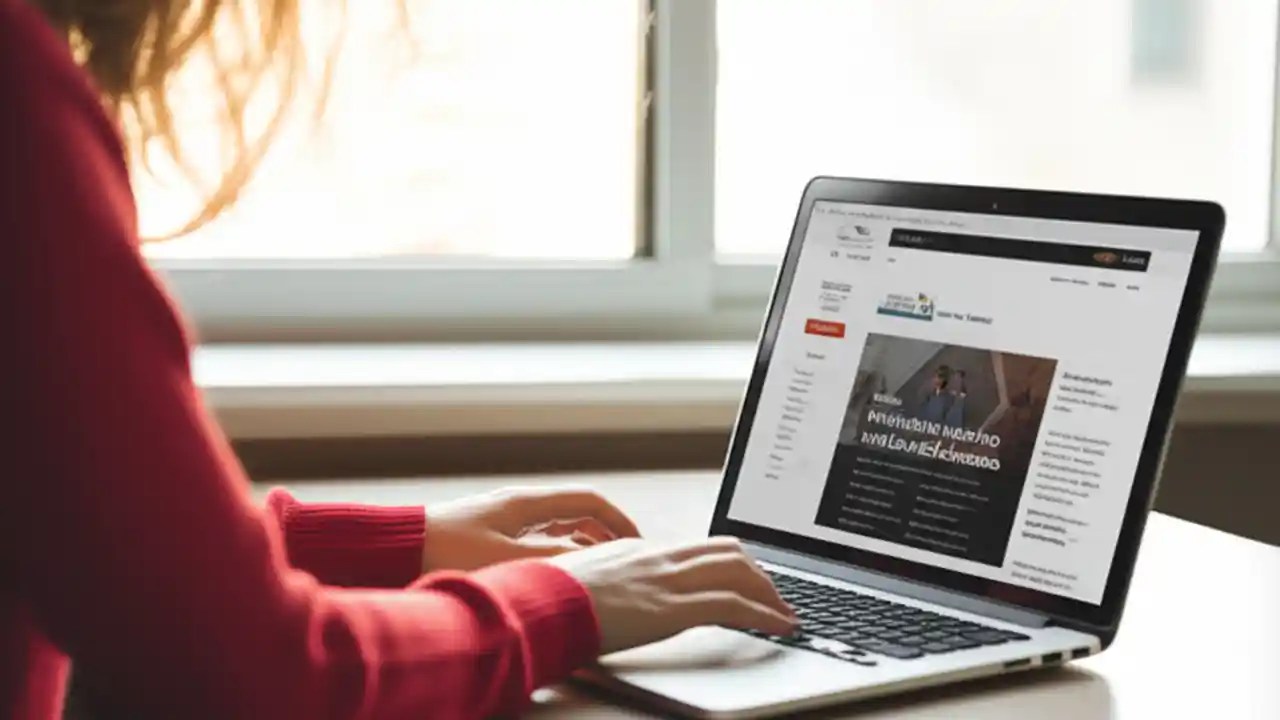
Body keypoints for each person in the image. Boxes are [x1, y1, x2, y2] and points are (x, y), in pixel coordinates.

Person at [0, 1, 797, 718]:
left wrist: (406, 540)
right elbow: (264, 671)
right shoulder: (19, 94)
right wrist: (563, 602)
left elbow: (105, 537)